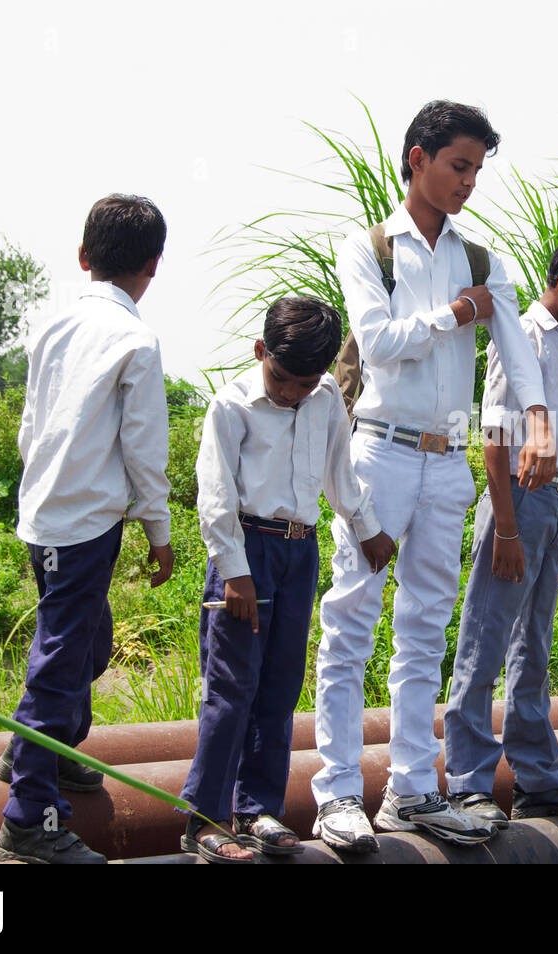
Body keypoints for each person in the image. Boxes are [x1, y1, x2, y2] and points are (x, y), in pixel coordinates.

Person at [311, 100, 555, 851]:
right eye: (458, 165)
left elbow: (516, 345)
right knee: (352, 621)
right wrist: (454, 316)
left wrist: (538, 414)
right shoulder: (371, 250)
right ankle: (337, 793)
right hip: (380, 451)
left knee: (424, 629)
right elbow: (378, 346)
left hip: (450, 460)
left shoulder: (481, 260)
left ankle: (412, 789)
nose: (469, 182)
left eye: (478, 169)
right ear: (417, 158)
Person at [0, 194, 174, 864]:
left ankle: (37, 749)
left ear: (82, 257)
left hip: (44, 517)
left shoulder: (52, 326)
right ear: (154, 265)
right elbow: (143, 448)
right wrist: (159, 530)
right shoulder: (136, 341)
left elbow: (29, 426)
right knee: (61, 666)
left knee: (88, 646)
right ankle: (26, 824)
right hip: (83, 525)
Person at [178, 297, 394, 863]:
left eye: (305, 382)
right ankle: (206, 817)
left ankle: (257, 808)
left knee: (279, 686)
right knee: (232, 688)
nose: (291, 391)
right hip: (247, 552)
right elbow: (216, 498)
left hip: (300, 553)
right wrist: (234, 573)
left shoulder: (323, 399)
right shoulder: (232, 407)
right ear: (260, 353)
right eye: (282, 377)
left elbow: (339, 473)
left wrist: (367, 526)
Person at [443, 232, 558, 828]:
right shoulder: (523, 336)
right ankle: (468, 781)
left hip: (550, 503)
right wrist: (504, 529)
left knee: (534, 649)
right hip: (515, 504)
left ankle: (538, 778)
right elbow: (496, 435)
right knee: (484, 642)